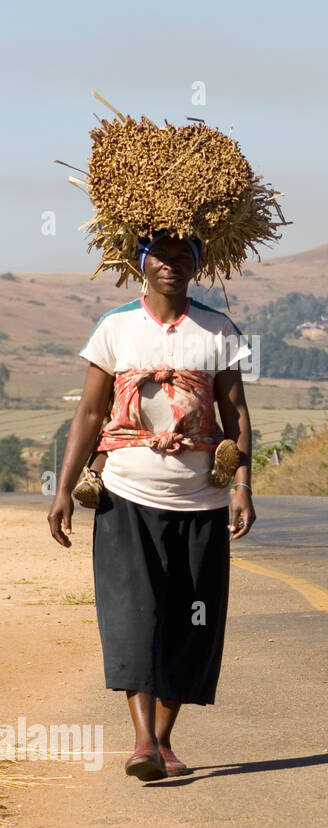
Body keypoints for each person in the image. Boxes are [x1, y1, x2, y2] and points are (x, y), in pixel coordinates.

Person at [47, 231, 256, 781]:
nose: (172, 264)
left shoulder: (217, 330)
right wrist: (63, 488)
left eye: (183, 254)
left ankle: (163, 741)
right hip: (127, 495)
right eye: (160, 255)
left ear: (197, 263)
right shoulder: (116, 328)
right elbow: (90, 415)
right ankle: (141, 741)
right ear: (141, 262)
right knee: (134, 616)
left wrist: (241, 486)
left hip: (200, 500)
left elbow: (236, 417)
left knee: (193, 621)